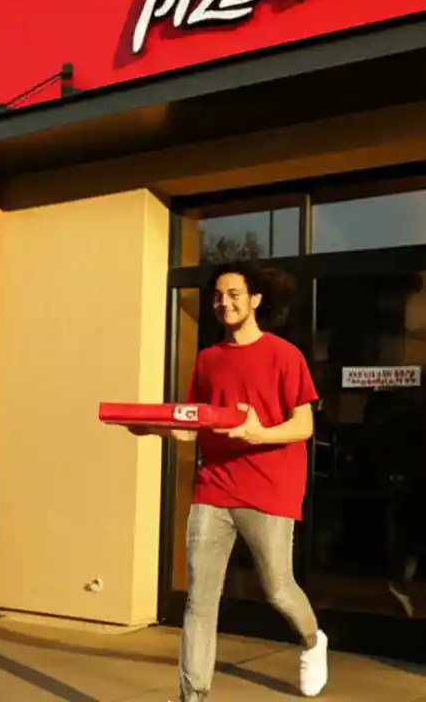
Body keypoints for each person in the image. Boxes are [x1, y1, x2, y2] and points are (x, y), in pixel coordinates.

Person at [128, 261, 328, 701]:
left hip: (270, 489)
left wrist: (260, 434)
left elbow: (303, 425)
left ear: (255, 299)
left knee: (277, 588)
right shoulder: (208, 360)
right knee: (200, 599)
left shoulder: (284, 355)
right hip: (214, 489)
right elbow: (191, 426)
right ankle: (193, 695)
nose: (225, 302)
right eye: (218, 295)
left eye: (234, 293)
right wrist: (150, 428)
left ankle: (313, 641)